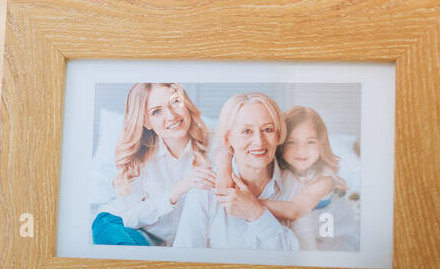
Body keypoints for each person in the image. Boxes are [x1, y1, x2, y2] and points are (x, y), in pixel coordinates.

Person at [173, 92, 302, 250]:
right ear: (228, 139)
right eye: (246, 131)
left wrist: (256, 213)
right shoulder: (205, 190)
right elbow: (184, 260)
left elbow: (303, 259)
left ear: (278, 135)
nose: (259, 142)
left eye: (267, 130)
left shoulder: (295, 187)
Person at [92, 83, 213, 245]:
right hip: (121, 223)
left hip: (168, 241)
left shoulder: (215, 145)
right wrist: (174, 192)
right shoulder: (140, 155)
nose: (171, 116)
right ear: (146, 122)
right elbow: (130, 218)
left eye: (175, 102)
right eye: (156, 111)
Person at [263, 105, 358, 251]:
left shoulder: (325, 178)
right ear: (280, 144)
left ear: (322, 144)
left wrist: (252, 203)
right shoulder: (280, 169)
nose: (301, 150)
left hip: (325, 232)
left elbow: (296, 209)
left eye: (310, 141)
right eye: (291, 142)